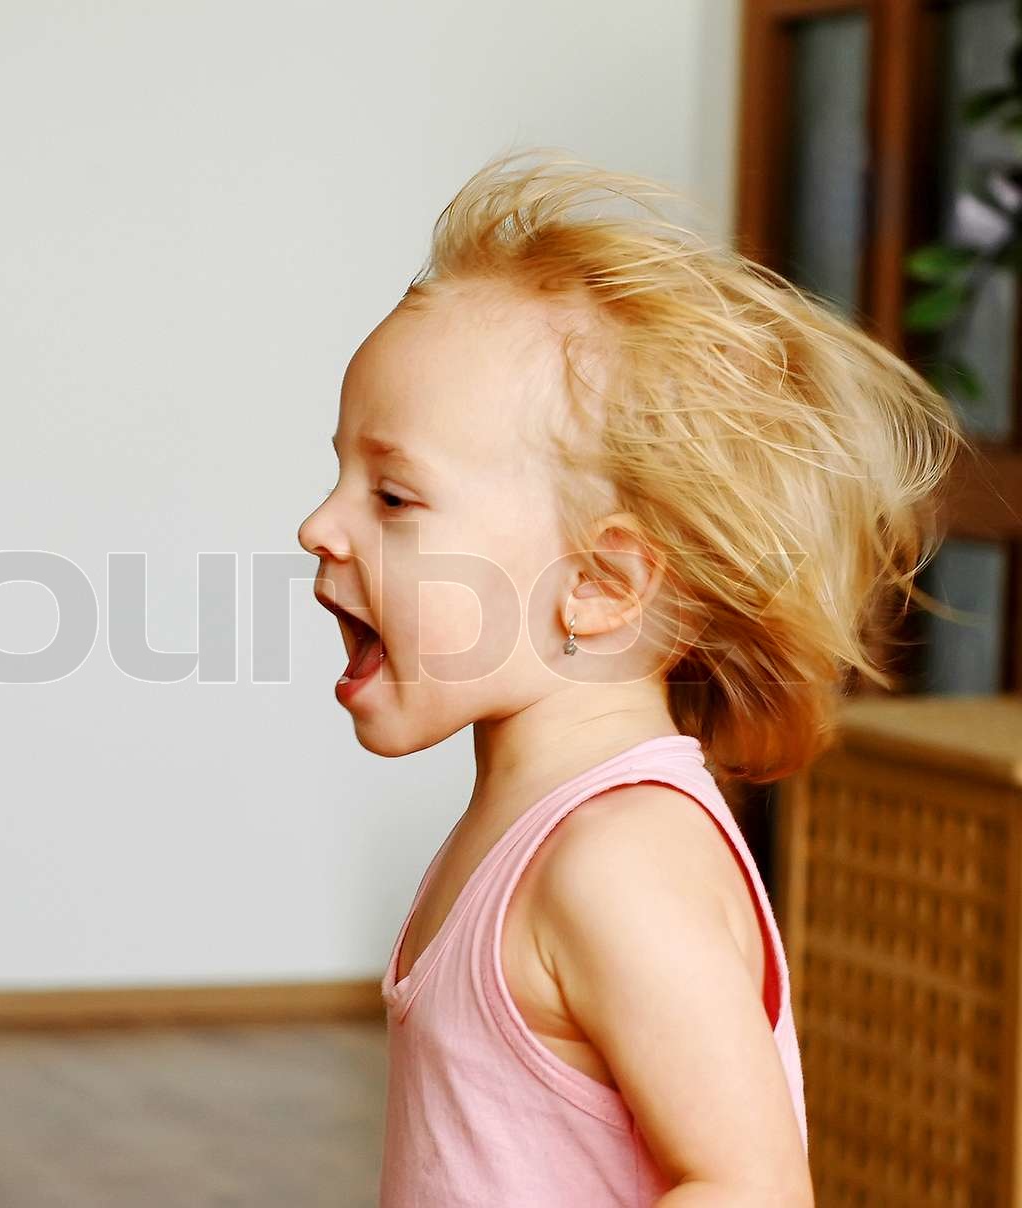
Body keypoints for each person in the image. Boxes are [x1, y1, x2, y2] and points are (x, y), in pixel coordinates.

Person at [296, 149, 964, 1206]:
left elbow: (749, 1186)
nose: (317, 523)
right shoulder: (529, 833)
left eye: (394, 497)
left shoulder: (617, 862)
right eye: (337, 471)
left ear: (599, 584)